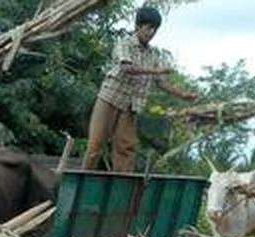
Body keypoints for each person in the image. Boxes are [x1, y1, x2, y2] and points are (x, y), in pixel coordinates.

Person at [81, 6, 198, 172]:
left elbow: (160, 82)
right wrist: (155, 71)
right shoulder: (125, 44)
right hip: (110, 99)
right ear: (138, 26)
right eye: (149, 28)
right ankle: (83, 179)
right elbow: (127, 68)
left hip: (131, 105)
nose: (152, 32)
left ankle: (122, 184)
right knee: (96, 144)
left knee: (125, 148)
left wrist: (183, 95)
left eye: (155, 29)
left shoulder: (152, 54)